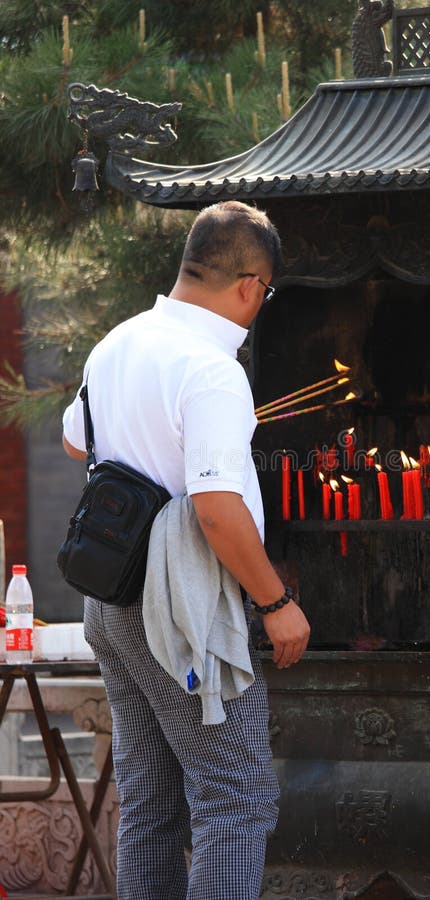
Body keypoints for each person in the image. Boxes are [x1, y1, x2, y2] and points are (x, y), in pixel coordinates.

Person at [62, 200, 311, 900]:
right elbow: (217, 508)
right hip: (184, 614)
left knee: (151, 804)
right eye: (265, 294)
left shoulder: (118, 342)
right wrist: (276, 602)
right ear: (249, 285)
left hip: (110, 599)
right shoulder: (210, 369)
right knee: (236, 801)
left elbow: (75, 442)